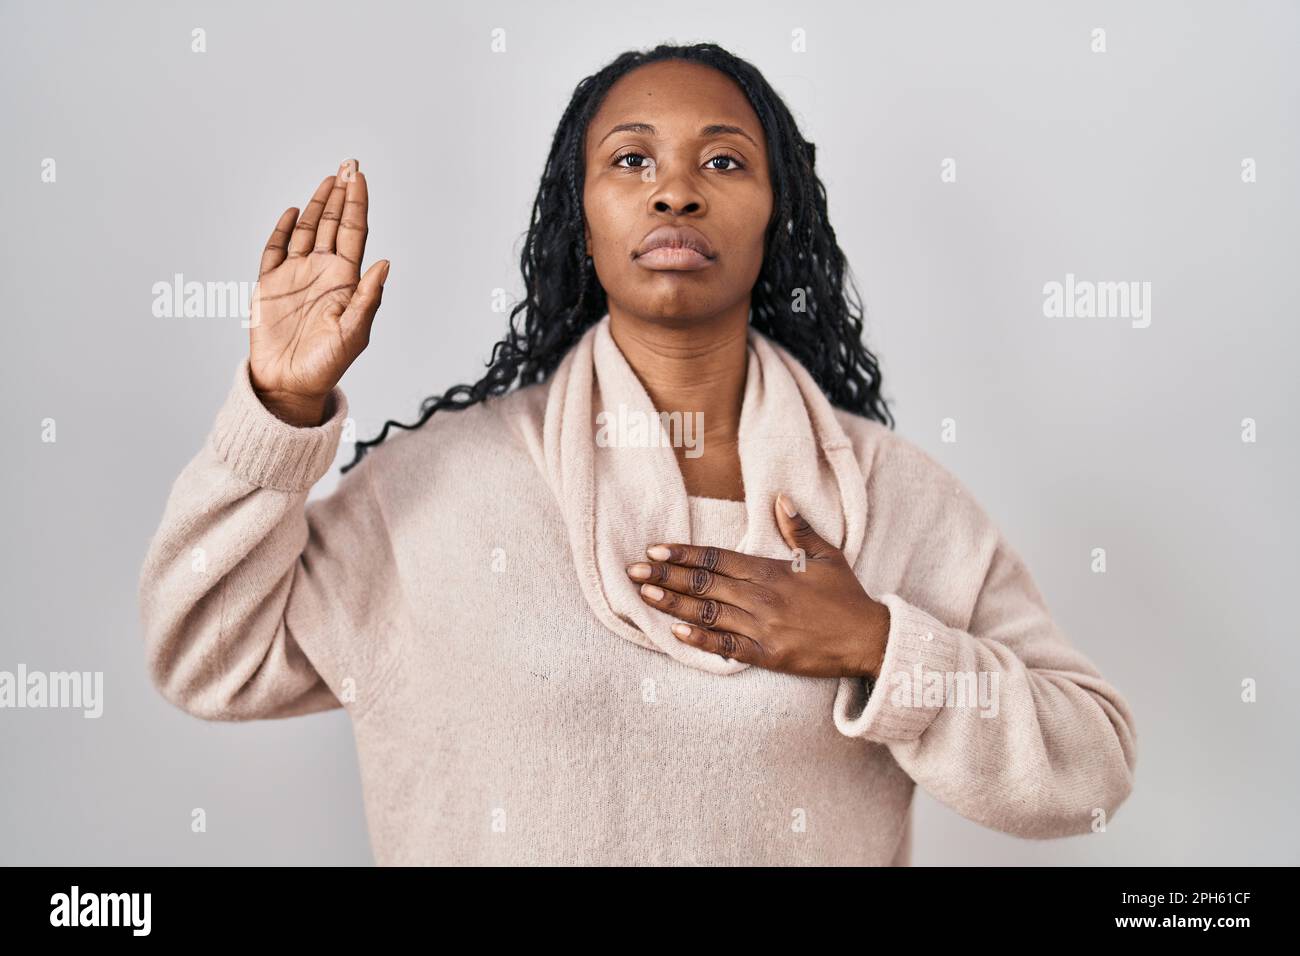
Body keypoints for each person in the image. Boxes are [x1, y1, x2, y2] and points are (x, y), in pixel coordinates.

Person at [137, 42, 1137, 865]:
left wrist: (878, 643)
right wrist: (279, 403)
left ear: (776, 213)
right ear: (581, 218)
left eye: (723, 161)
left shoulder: (893, 500)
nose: (674, 194)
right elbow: (208, 658)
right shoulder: (438, 490)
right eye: (629, 161)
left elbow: (1087, 768)